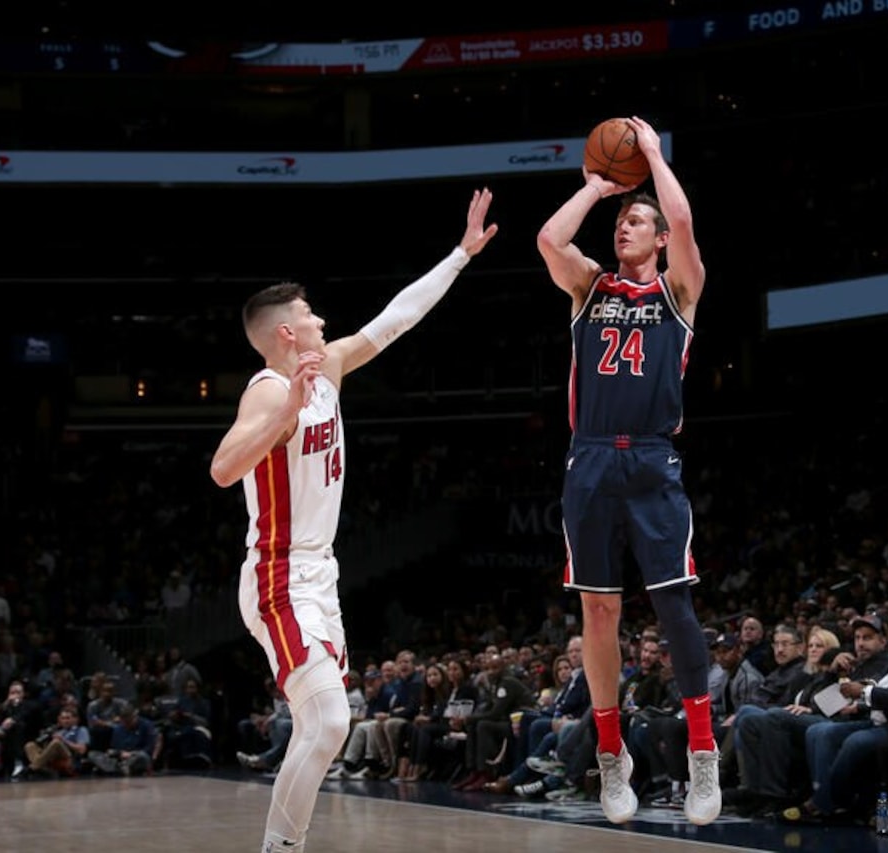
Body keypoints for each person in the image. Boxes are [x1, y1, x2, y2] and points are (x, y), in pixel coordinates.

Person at [210, 188, 498, 853]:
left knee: (325, 727)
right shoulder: (270, 390)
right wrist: (286, 415)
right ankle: (280, 848)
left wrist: (460, 254)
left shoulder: (331, 366)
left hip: (321, 575)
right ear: (287, 331)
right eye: (310, 314)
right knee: (333, 720)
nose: (321, 319)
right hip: (280, 575)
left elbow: (395, 319)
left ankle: (285, 844)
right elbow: (224, 468)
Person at [536, 115, 718, 826]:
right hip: (588, 457)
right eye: (622, 221)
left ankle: (703, 751)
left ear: (661, 238)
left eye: (636, 220)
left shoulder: (681, 289)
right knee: (599, 611)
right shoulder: (589, 289)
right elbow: (550, 241)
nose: (626, 227)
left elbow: (681, 214)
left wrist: (650, 154)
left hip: (650, 458)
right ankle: (613, 756)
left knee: (674, 606)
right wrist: (592, 189)